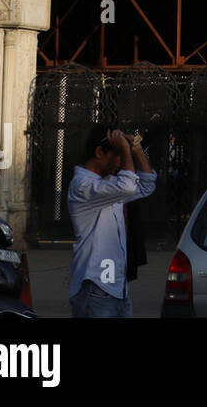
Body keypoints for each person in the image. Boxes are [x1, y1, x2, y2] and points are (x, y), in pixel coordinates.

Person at [67, 126, 156, 317]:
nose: (120, 162)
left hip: (117, 289)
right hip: (96, 287)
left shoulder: (109, 185)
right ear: (99, 152)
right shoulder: (83, 186)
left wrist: (137, 149)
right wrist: (126, 151)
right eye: (116, 154)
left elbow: (147, 184)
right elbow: (128, 186)